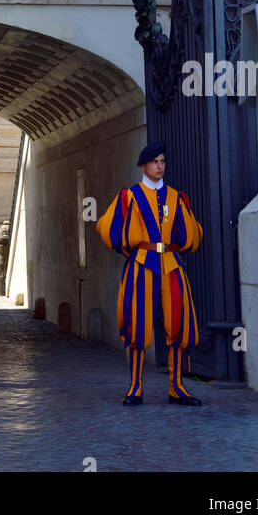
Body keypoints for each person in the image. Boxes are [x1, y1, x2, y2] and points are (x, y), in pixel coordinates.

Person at [96, 142, 203, 406]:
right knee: (137, 325)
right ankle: (135, 387)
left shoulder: (176, 197)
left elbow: (190, 233)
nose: (159, 166)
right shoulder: (129, 196)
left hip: (171, 264)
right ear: (143, 166)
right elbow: (108, 228)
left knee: (178, 324)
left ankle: (177, 387)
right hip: (141, 263)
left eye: (162, 161)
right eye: (154, 162)